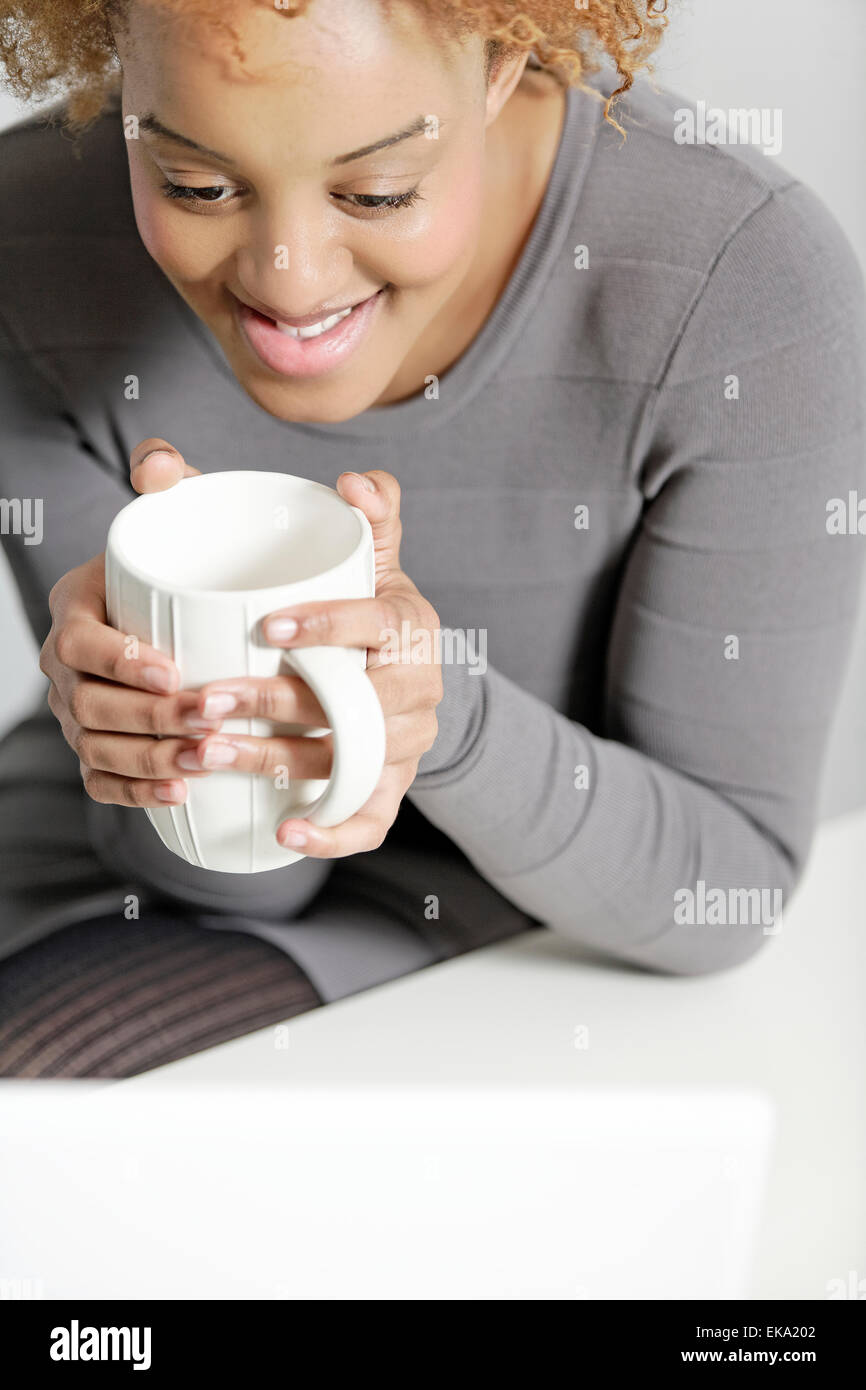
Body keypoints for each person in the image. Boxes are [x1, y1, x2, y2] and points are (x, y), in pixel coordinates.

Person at [0, 0, 864, 1077]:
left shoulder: (738, 288)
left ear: (504, 58)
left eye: (375, 191)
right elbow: (217, 882)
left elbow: (716, 893)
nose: (288, 279)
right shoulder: (25, 242)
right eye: (196, 185)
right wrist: (189, 733)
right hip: (118, 874)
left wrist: (431, 715)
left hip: (537, 897)